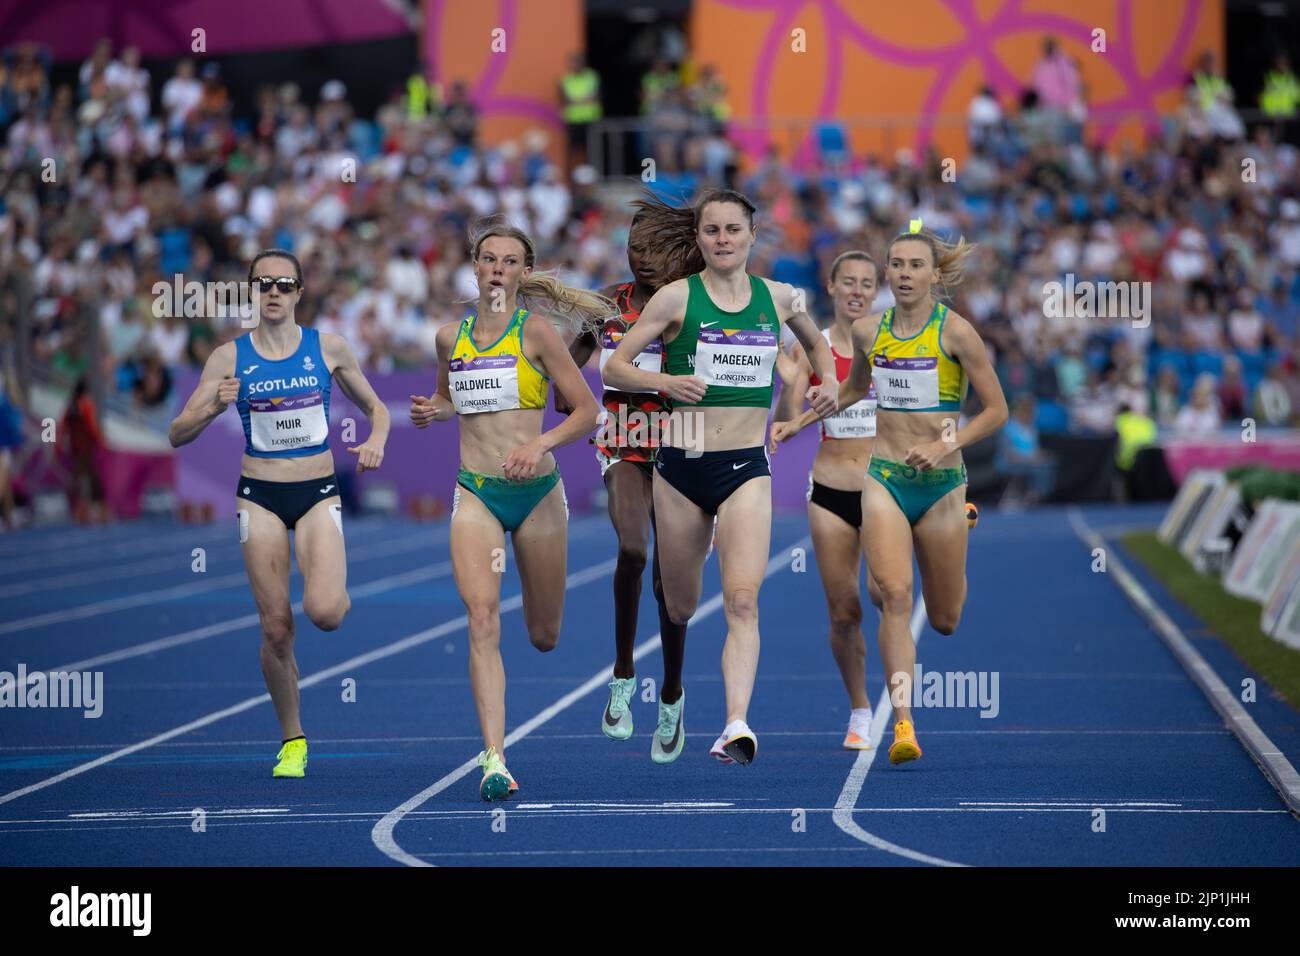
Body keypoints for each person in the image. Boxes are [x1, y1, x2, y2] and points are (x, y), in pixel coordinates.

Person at [603, 189, 839, 766]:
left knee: (741, 599)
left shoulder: (780, 298)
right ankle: (673, 687)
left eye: (734, 230)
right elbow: (615, 366)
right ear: (700, 239)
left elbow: (818, 346)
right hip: (680, 466)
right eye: (713, 231)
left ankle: (736, 724)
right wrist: (664, 385)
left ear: (753, 236)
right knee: (680, 606)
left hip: (744, 467)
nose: (724, 239)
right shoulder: (675, 299)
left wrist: (826, 381)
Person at [169, 249, 390, 778]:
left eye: (283, 284)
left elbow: (377, 408)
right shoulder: (228, 358)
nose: (273, 292)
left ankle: (332, 585)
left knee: (326, 613)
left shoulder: (328, 348)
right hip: (259, 497)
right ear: (251, 290)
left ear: (298, 292)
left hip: (316, 494)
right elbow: (177, 433)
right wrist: (211, 407)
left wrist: (377, 440)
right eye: (263, 283)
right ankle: (293, 739)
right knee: (275, 629)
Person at [408, 220, 605, 800]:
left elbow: (587, 412)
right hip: (476, 491)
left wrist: (539, 443)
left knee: (544, 635)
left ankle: (502, 735)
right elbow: (449, 399)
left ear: (523, 271)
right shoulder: (450, 338)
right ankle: (494, 757)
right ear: (474, 266)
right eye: (488, 259)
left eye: (509, 261)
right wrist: (433, 412)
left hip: (539, 493)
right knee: (482, 618)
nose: (497, 268)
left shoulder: (537, 333)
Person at [824, 221, 1008, 766]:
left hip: (943, 483)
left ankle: (961, 522)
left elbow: (997, 410)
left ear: (934, 274)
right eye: (897, 265)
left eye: (915, 266)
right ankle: (903, 723)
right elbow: (857, 387)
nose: (904, 275)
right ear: (888, 272)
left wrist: (948, 441)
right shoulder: (868, 330)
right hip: (883, 479)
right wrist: (809, 413)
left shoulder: (956, 333)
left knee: (946, 618)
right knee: (896, 597)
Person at [554, 200, 693, 761]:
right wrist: (573, 400)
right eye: (635, 247)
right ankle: (622, 674)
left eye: (654, 247)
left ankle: (673, 692)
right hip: (623, 444)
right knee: (633, 548)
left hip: (682, 446)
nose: (642, 257)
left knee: (671, 579)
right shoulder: (608, 303)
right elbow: (570, 363)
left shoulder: (692, 300)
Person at [769, 250, 883, 749]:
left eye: (866, 283)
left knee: (887, 595)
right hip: (831, 489)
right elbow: (784, 428)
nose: (858, 291)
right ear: (832, 288)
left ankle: (899, 705)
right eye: (849, 282)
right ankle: (860, 709)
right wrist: (792, 387)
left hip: (886, 489)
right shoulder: (812, 353)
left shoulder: (895, 345)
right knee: (844, 610)